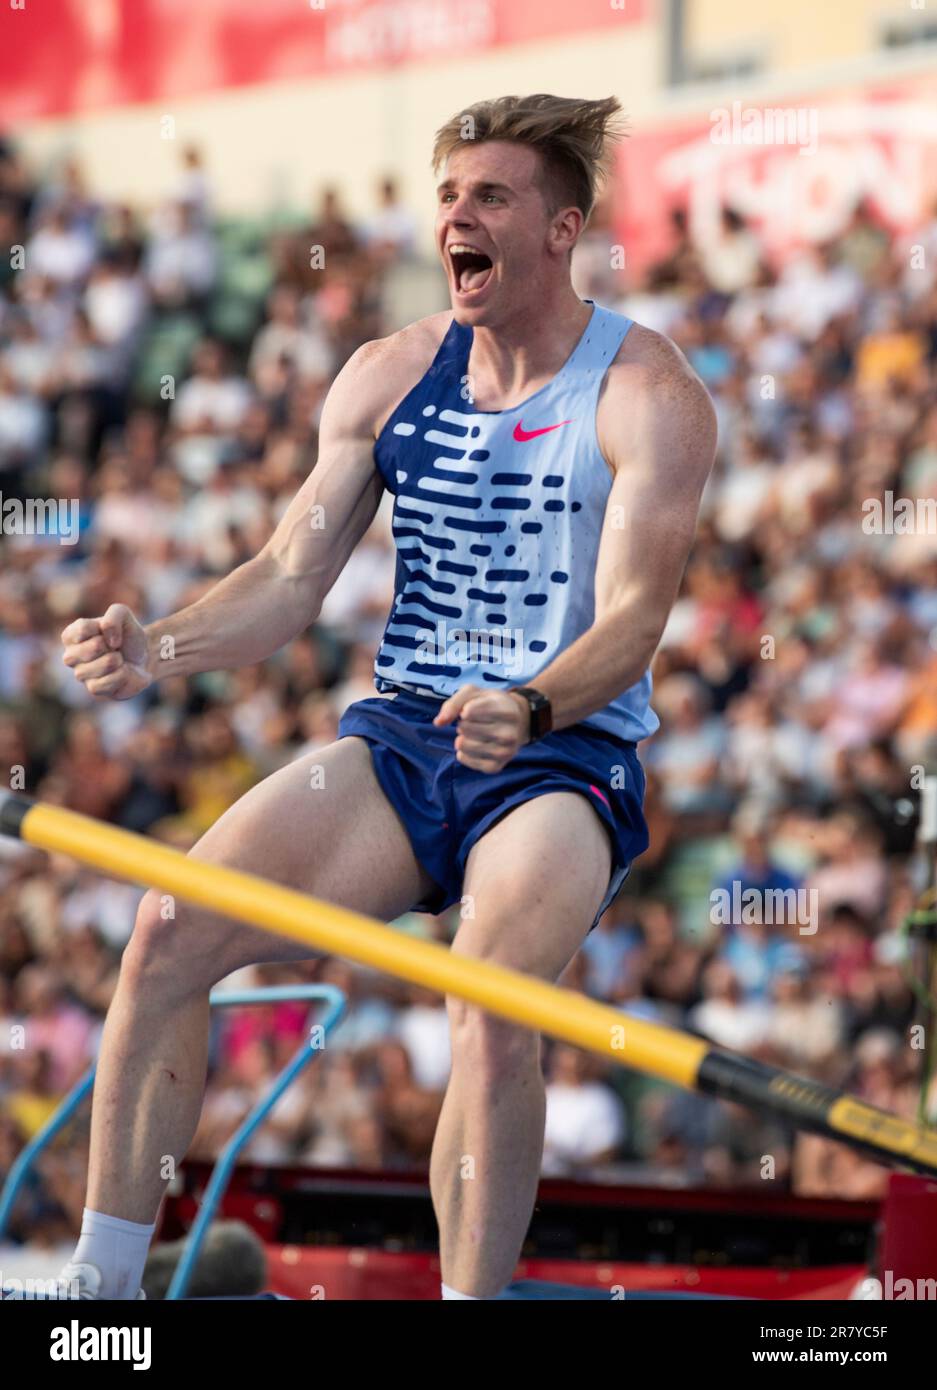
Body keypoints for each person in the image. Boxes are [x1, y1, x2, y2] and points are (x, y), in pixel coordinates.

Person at [56, 93, 716, 1301]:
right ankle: (101, 1296)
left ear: (561, 228)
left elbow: (630, 625)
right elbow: (287, 576)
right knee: (164, 935)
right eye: (450, 197)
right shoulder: (388, 376)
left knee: (485, 996)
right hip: (406, 737)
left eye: (492, 199)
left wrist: (537, 703)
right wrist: (155, 645)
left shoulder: (646, 390)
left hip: (562, 757)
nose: (457, 219)